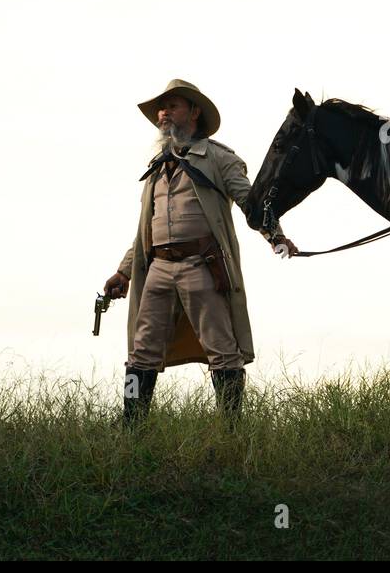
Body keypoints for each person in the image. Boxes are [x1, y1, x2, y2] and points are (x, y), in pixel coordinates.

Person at [102, 79, 297, 426]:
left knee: (223, 351)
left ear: (194, 112)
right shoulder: (157, 167)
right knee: (141, 352)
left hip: (202, 265)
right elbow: (144, 231)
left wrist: (276, 236)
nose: (164, 113)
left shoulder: (219, 159)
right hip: (158, 268)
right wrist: (124, 271)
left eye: (172, 105)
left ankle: (230, 429)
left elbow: (250, 204)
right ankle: (131, 428)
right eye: (161, 108)